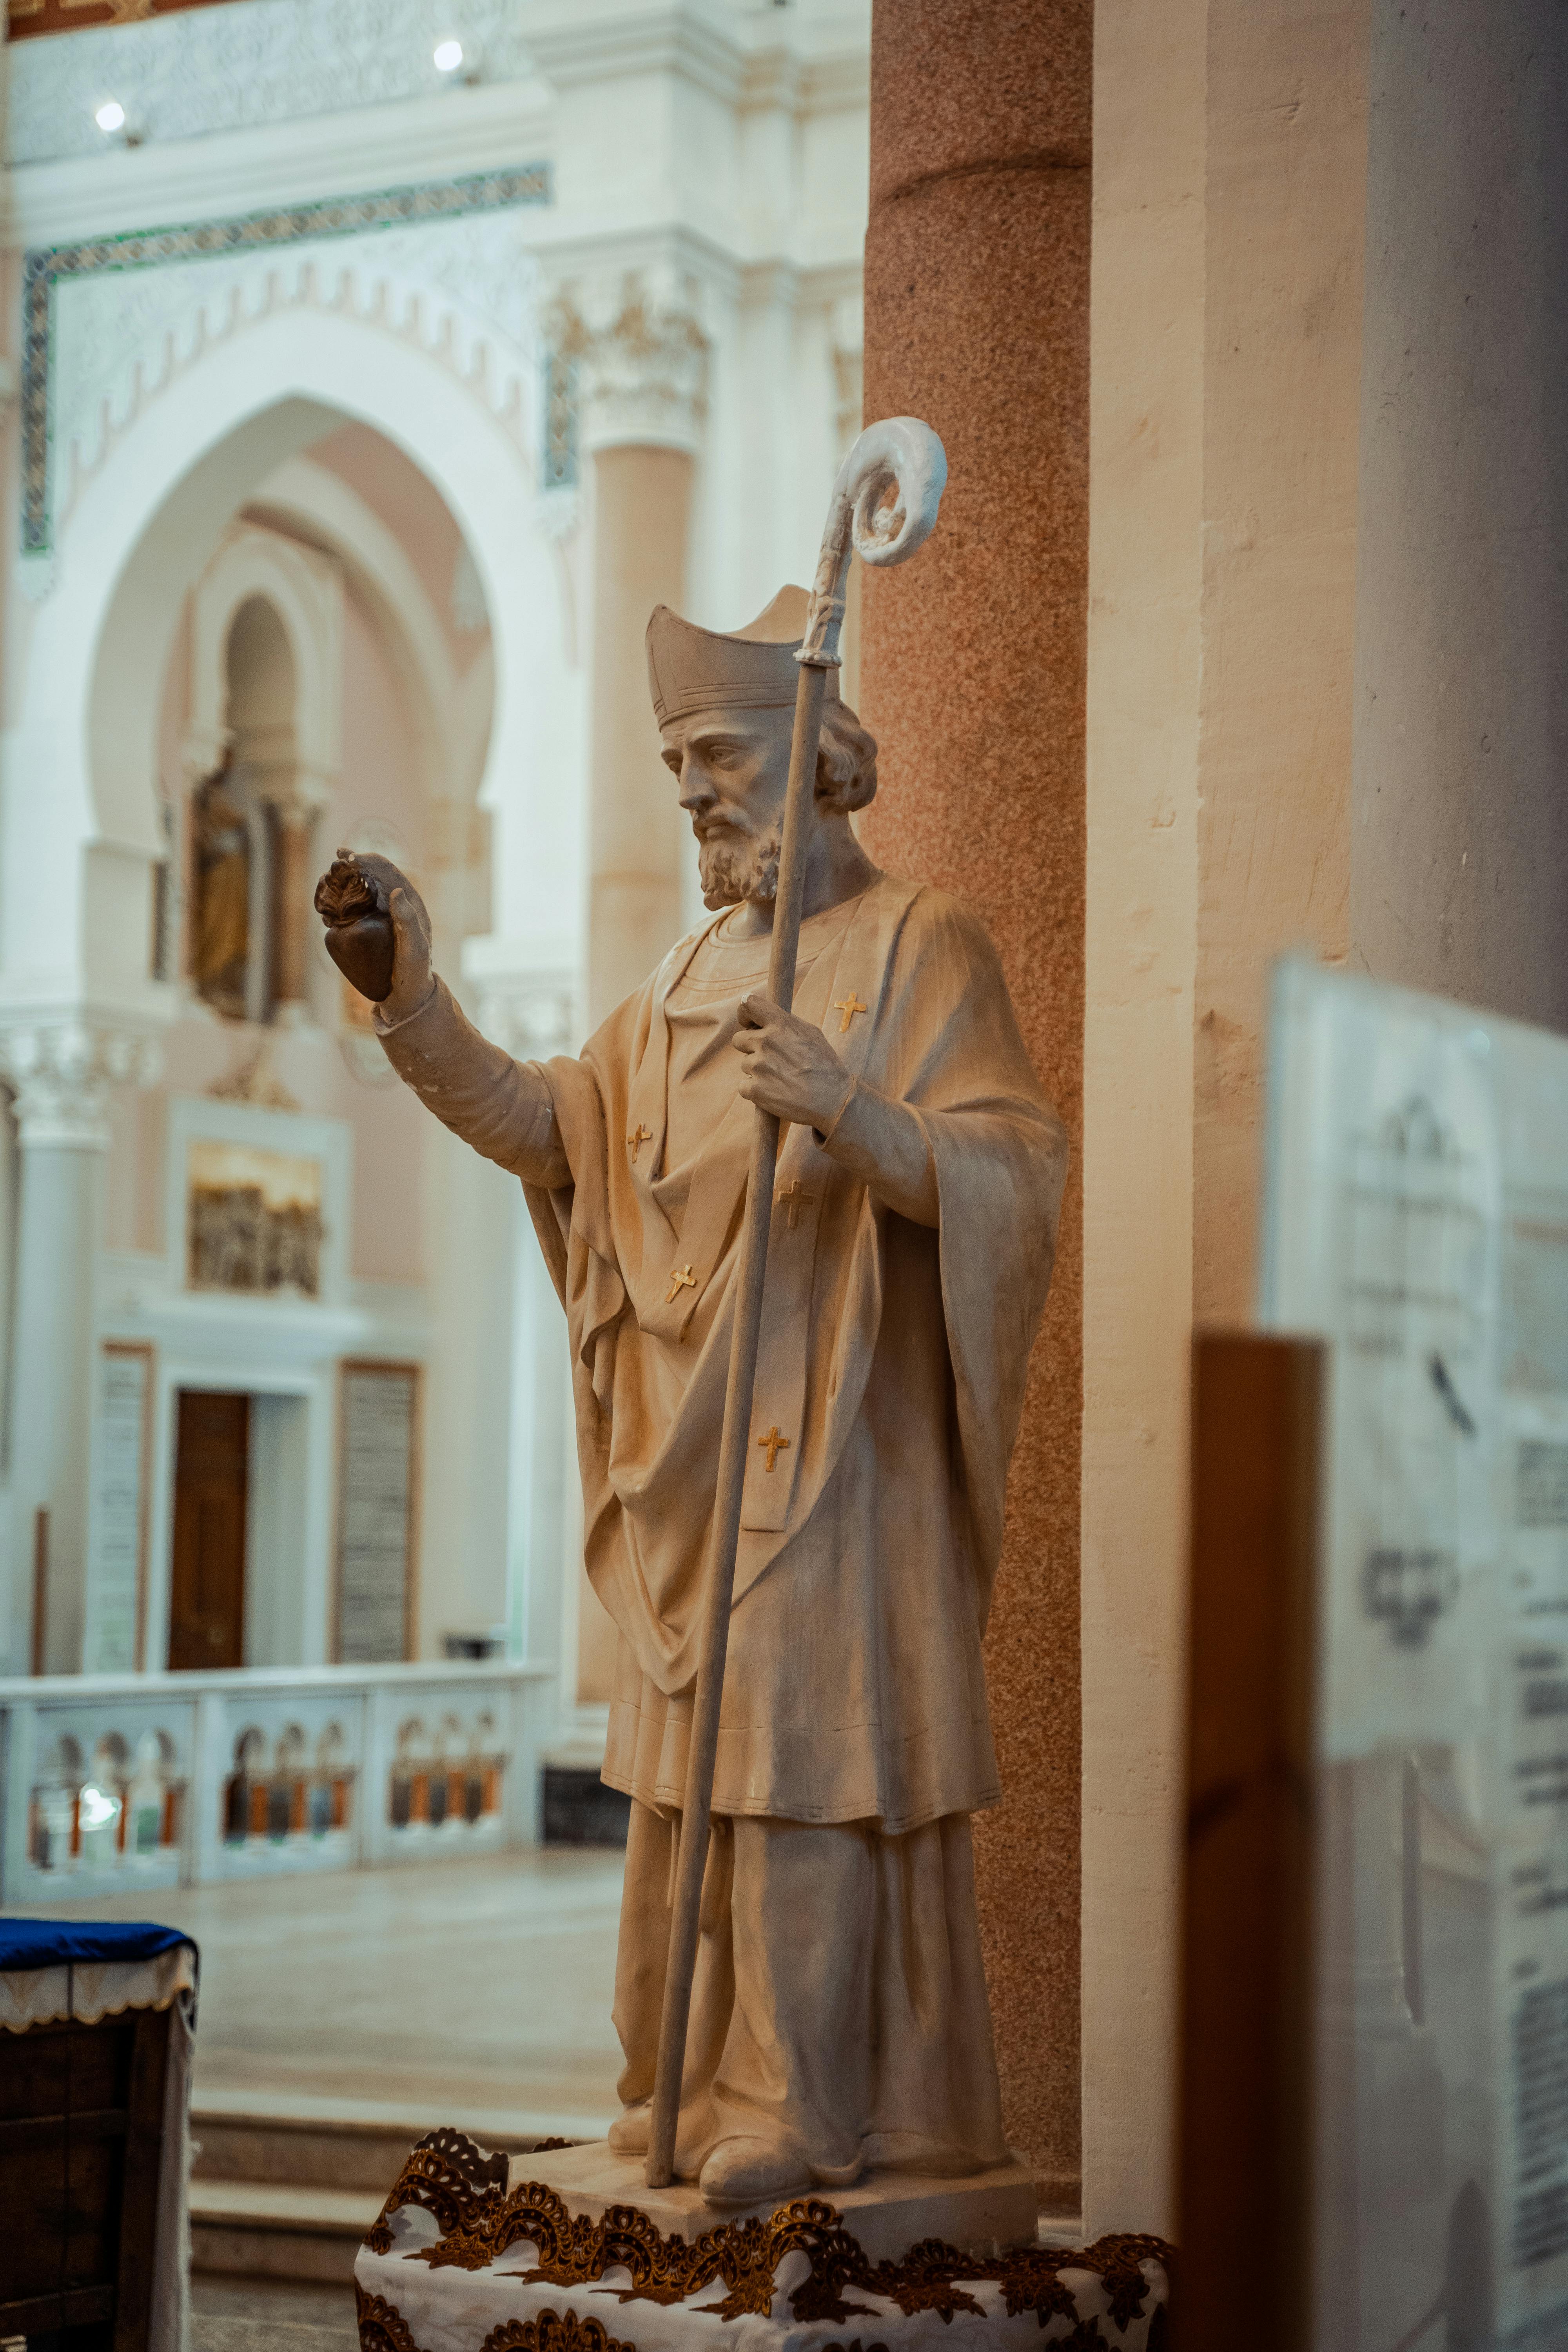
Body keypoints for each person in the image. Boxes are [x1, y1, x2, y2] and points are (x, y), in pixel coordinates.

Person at [323, 586, 1067, 2207]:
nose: (696, 797)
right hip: (695, 1453)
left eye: (719, 757)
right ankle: (679, 2077)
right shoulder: (680, 975)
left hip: (836, 1451)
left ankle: (807, 2104)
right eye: (677, 769)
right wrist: (411, 1003)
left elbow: (1020, 1167)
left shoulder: (915, 942)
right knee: (695, 1788)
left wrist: (860, 1118)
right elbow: (552, 1128)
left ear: (819, 755)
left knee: (803, 1764)